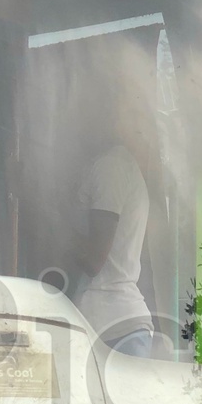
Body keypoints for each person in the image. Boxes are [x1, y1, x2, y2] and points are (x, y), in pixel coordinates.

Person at [76, 103, 155, 358]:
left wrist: (50, 227)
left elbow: (94, 259)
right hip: (111, 325)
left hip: (114, 330)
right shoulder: (114, 166)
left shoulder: (111, 167)